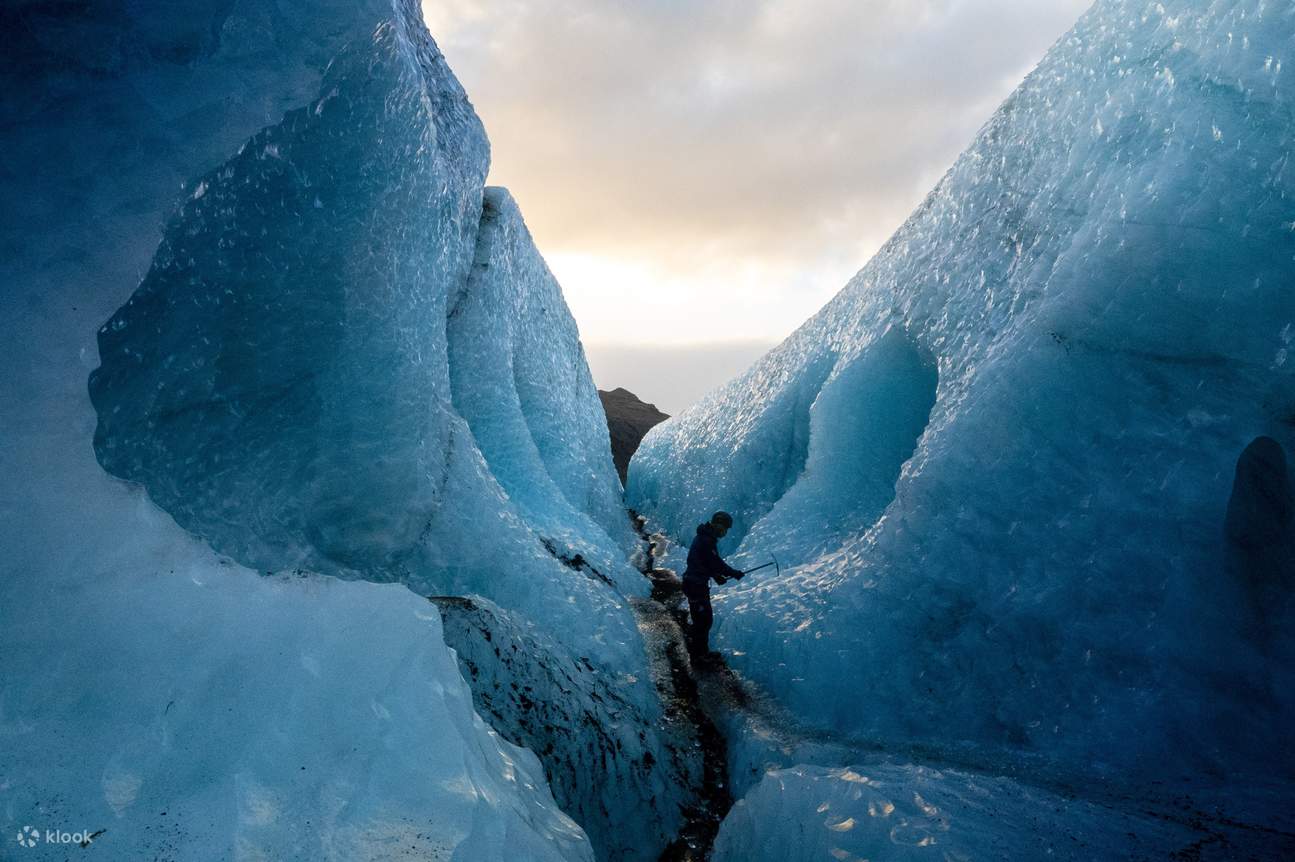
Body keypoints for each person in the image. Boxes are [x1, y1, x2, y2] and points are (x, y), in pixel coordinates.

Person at [681, 510, 743, 662]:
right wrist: (733, 573)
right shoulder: (707, 540)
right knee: (704, 620)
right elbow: (715, 562)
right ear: (717, 525)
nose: (725, 533)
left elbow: (705, 562)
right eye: (724, 528)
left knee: (701, 619)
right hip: (696, 585)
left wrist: (716, 577)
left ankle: (699, 652)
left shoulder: (704, 537)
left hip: (694, 583)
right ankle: (698, 656)